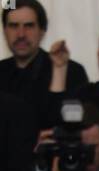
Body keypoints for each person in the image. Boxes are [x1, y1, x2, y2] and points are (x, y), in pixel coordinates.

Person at [0, 2, 88, 138]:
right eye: (13, 26)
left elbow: (73, 127)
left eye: (29, 26)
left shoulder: (71, 71)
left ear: (42, 30)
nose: (21, 34)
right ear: (4, 30)